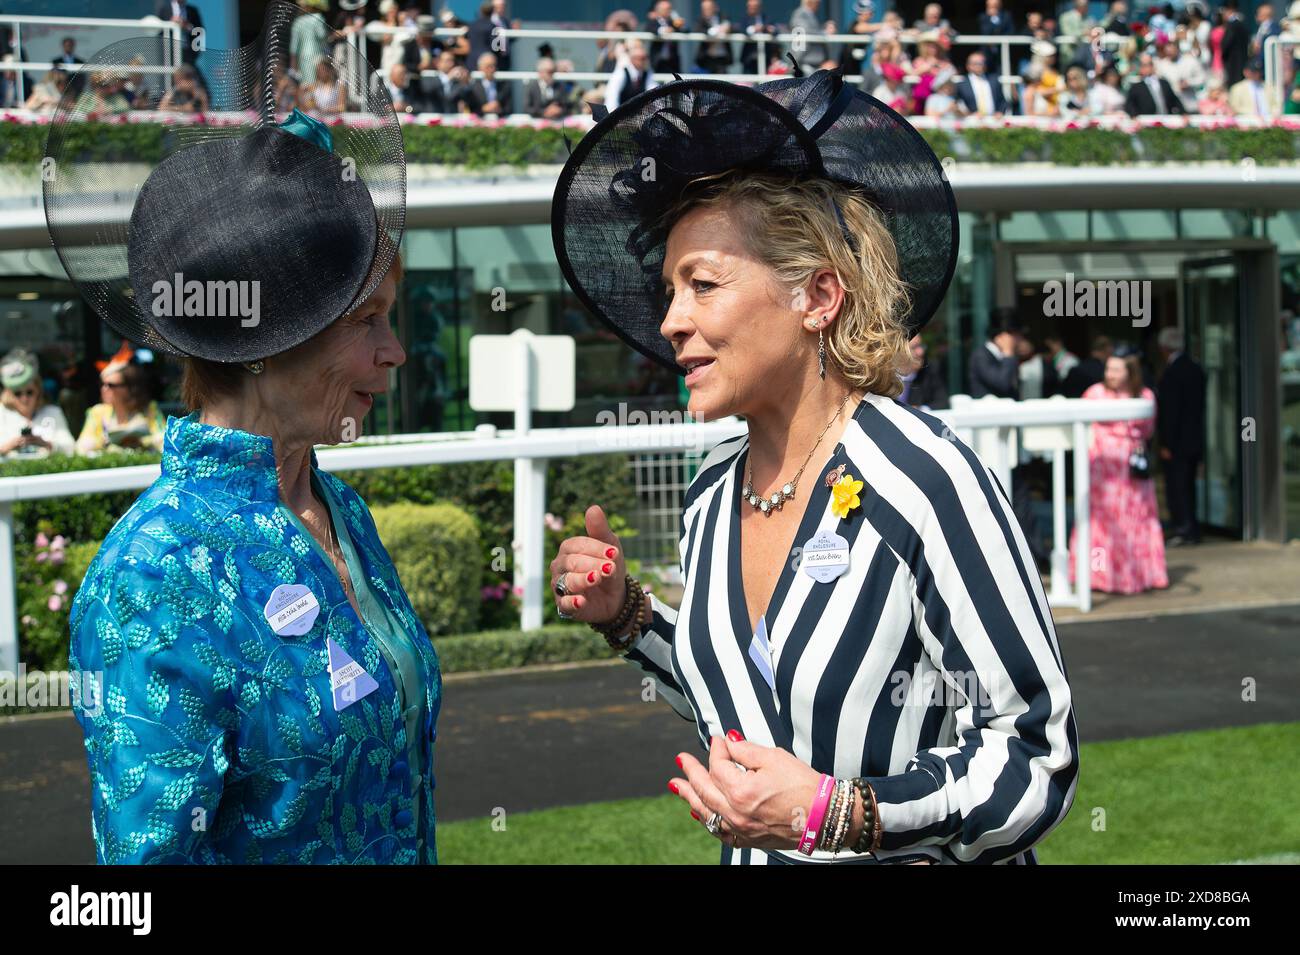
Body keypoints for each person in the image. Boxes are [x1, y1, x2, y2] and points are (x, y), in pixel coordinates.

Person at [550, 68, 1077, 864]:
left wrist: (846, 813)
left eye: (702, 285)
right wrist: (627, 615)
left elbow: (1033, 754)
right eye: (668, 291)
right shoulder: (708, 496)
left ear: (818, 297)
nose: (670, 322)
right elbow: (751, 707)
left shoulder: (926, 479)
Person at [48, 1, 440, 864]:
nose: (395, 353)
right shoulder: (154, 572)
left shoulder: (342, 511)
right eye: (367, 319)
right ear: (267, 338)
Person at [1068, 352, 1168, 594]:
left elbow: (1148, 429)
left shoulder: (1144, 395)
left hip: (1130, 470)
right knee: (1102, 520)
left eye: (1116, 370)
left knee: (1135, 518)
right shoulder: (1094, 393)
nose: (1109, 375)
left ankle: (1135, 576)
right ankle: (1099, 576)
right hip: (1102, 469)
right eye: (1108, 369)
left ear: (1130, 373)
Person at [1156, 326, 1205, 546]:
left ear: (1164, 348)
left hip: (1177, 442)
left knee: (1177, 488)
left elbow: (1171, 412)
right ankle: (1192, 528)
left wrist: (1166, 443)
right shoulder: (1196, 368)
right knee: (1189, 487)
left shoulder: (1173, 372)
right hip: (1194, 439)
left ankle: (1183, 529)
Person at [75, 353, 166, 455]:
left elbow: (165, 441)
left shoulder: (150, 409)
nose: (104, 389)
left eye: (110, 385)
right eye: (102, 384)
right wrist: (104, 442)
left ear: (130, 388)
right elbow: (81, 447)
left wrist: (143, 441)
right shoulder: (97, 412)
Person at [0, 350, 75, 459]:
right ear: (9, 395)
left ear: (38, 391)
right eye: (18, 393)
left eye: (29, 392)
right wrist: (6, 448)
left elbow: (71, 449)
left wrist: (47, 444)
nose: (24, 398)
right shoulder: (1, 414)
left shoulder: (53, 413)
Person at [899, 335, 947, 410]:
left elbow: (942, 402)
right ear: (898, 351)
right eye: (914, 347)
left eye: (921, 346)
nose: (921, 352)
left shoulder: (930, 369)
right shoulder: (884, 375)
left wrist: (920, 410)